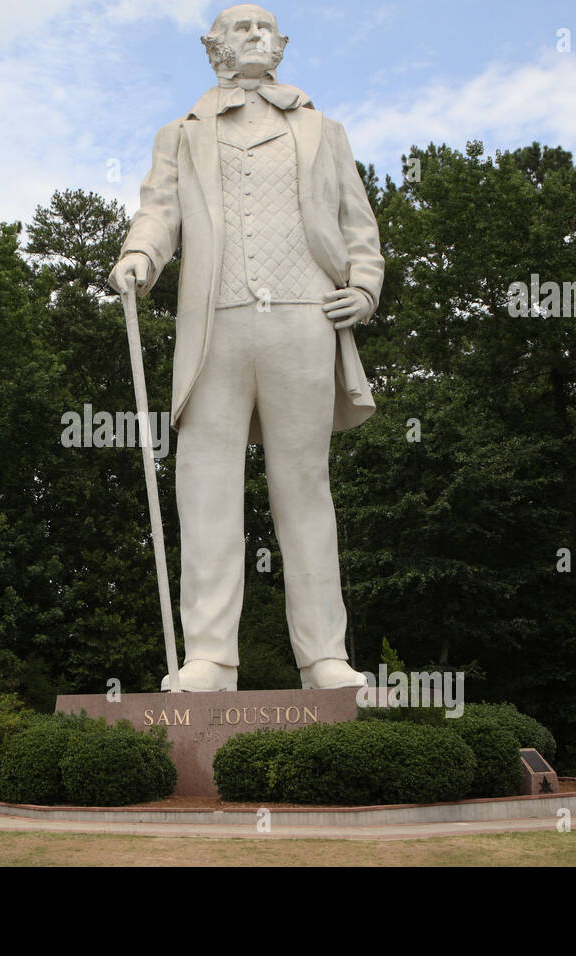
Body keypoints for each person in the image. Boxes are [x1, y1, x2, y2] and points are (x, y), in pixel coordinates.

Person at [108, 4, 384, 692]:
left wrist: (367, 286)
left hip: (303, 319)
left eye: (266, 28)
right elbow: (159, 208)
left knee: (306, 490)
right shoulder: (182, 134)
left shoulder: (325, 130)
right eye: (240, 28)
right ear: (214, 49)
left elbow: (357, 222)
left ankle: (324, 656)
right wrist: (140, 253)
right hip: (216, 324)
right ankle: (209, 656)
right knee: (205, 490)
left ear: (283, 46)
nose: (256, 36)